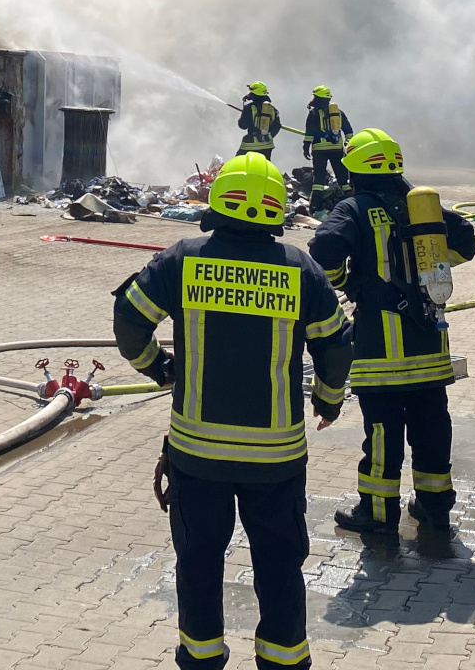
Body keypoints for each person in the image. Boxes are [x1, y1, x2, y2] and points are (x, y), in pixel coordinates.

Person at [114, 152, 353, 669]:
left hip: (198, 457)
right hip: (276, 459)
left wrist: (161, 370)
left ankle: (201, 659)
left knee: (198, 563)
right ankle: (284, 661)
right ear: (275, 210)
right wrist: (328, 401)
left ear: (218, 202)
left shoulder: (183, 259)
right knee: (280, 565)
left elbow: (129, 321)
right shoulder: (299, 268)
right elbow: (336, 346)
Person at [309, 128, 475, 538]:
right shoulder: (421, 206)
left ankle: (378, 512)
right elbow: (466, 243)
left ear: (356, 171)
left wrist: (348, 283)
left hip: (382, 348)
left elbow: (323, 247)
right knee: (432, 426)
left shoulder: (354, 208)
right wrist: (431, 273)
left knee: (383, 432)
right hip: (429, 341)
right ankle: (435, 508)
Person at [301, 86, 353, 210]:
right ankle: (349, 201)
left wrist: (305, 147)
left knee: (318, 178)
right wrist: (348, 145)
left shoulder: (313, 113)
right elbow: (348, 131)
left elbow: (309, 133)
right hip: (336, 148)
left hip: (319, 150)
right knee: (342, 177)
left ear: (317, 97)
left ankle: (315, 206)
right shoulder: (339, 112)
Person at [237, 82, 282, 156]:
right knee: (264, 165)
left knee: (237, 163)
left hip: (250, 144)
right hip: (267, 146)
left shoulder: (248, 108)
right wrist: (266, 137)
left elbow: (242, 126)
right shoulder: (273, 110)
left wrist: (244, 113)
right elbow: (277, 126)